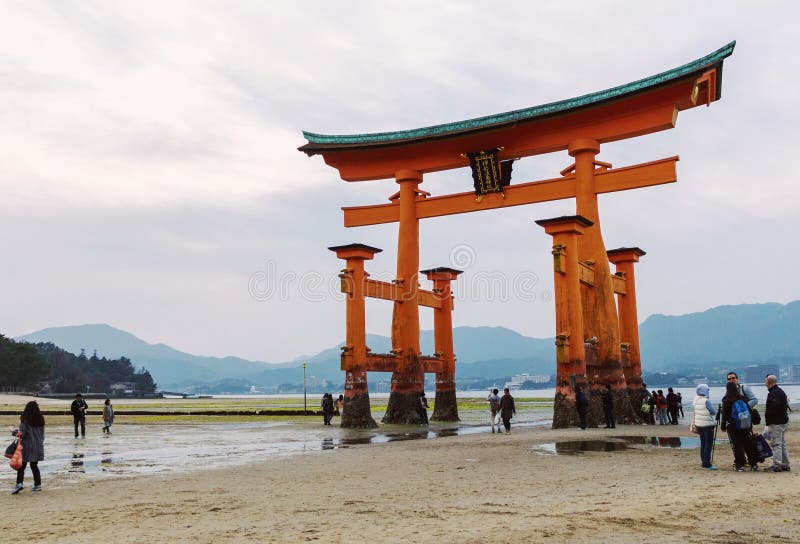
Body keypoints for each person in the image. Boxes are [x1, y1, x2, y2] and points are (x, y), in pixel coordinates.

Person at [721, 381, 759, 471]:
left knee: (737, 446)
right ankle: (753, 464)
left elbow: (725, 415)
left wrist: (723, 426)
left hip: (733, 426)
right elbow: (749, 410)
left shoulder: (727, 400)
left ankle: (740, 465)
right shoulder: (742, 398)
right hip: (745, 425)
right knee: (748, 444)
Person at [11, 400, 45, 494]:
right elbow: (42, 434)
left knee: (21, 466)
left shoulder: (25, 419)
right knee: (34, 465)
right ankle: (37, 485)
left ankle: (19, 484)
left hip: (27, 446)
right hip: (38, 445)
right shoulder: (41, 419)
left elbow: (22, 434)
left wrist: (14, 432)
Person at [764, 374, 790, 473]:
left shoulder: (774, 393)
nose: (764, 382)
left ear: (769, 382)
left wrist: (768, 422)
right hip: (782, 421)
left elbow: (773, 408)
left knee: (776, 444)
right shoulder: (780, 391)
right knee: (782, 443)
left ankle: (777, 465)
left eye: (765, 381)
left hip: (776, 422)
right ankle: (785, 464)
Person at [693, 384, 717, 470]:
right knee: (708, 444)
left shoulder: (695, 400)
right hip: (708, 425)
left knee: (703, 443)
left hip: (699, 424)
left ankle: (703, 461)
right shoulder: (706, 401)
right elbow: (713, 412)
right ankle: (706, 463)